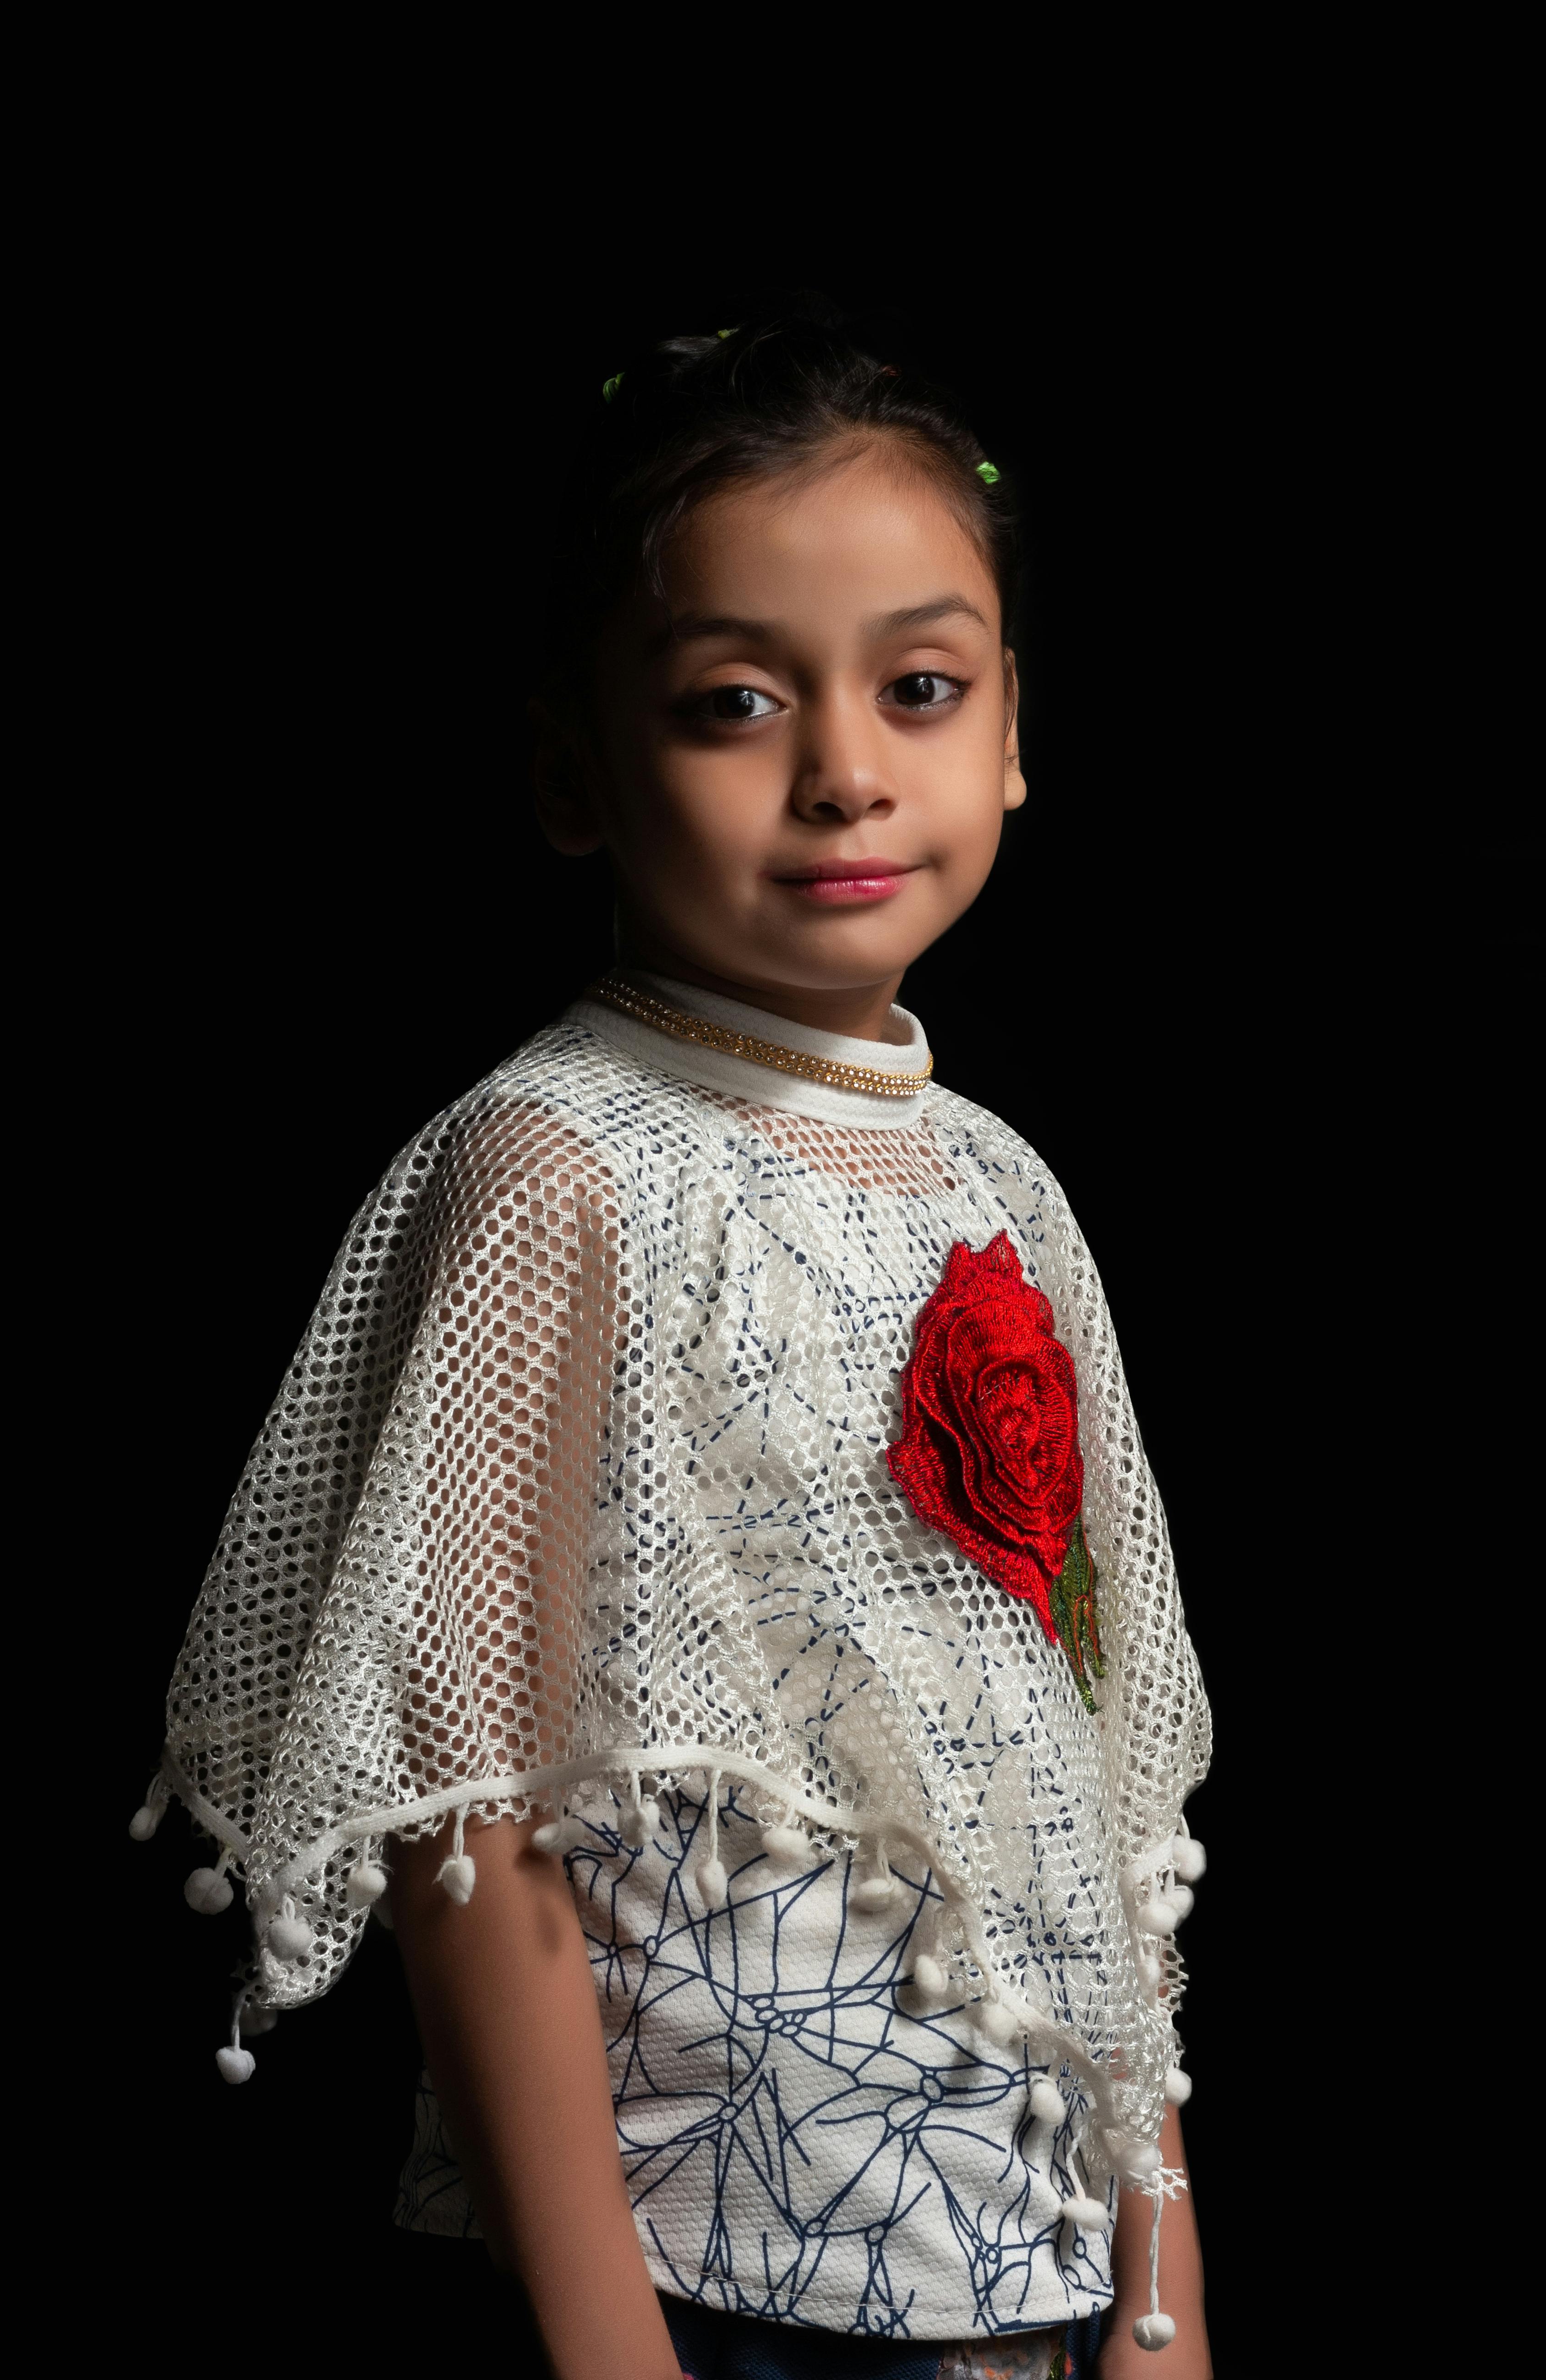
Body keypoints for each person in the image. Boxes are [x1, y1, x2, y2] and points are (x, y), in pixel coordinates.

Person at [138, 305, 1213, 2380]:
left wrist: (1158, 2292)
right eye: (736, 701)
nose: (841, 771)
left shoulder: (1002, 1184)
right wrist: (609, 2343)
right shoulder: (565, 1164)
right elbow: (468, 1806)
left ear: (1007, 735)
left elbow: (1072, 1808)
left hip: (1037, 2271)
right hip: (725, 2289)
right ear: (574, 765)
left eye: (919, 688)